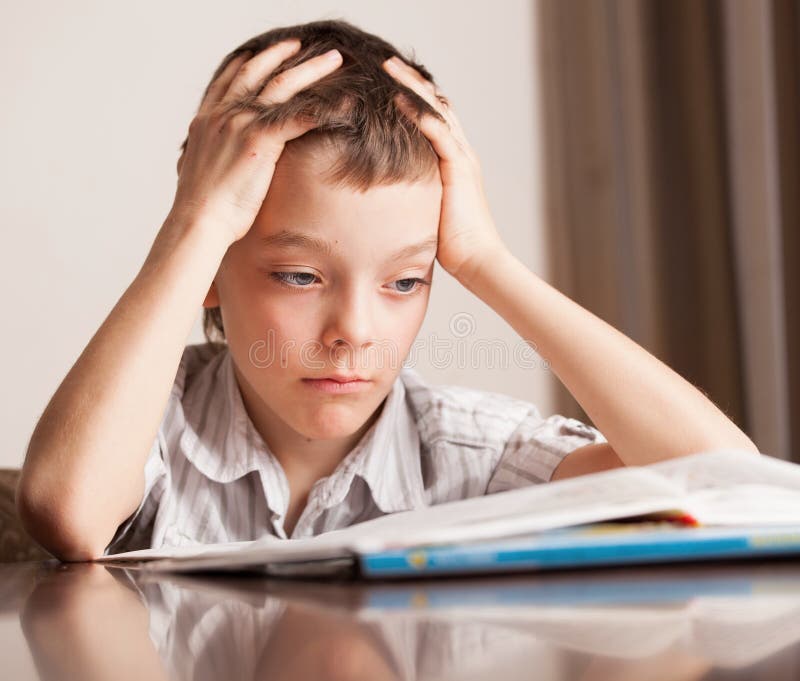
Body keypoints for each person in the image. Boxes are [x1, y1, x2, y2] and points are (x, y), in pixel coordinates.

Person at [15, 19, 759, 562]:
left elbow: (731, 482)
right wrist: (195, 222)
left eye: (406, 280)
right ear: (211, 265)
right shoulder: (152, 430)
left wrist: (487, 260)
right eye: (300, 276)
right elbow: (67, 512)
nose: (355, 331)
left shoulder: (464, 455)